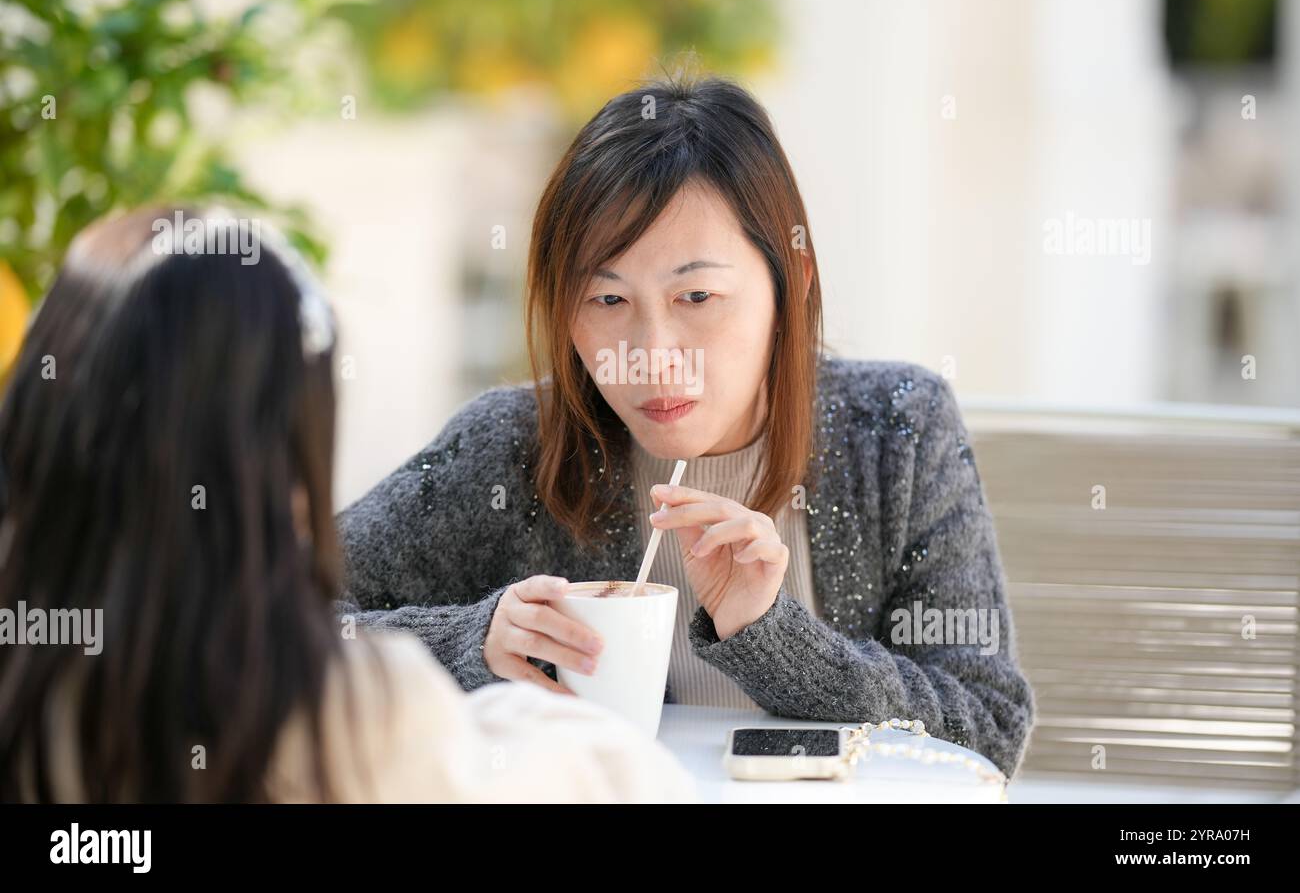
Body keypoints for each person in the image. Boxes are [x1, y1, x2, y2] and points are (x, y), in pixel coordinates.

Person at [338, 74, 1037, 780]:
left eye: (696, 295)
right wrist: (471, 641)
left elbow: (986, 726)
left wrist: (770, 634)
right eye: (606, 298)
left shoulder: (898, 432)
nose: (649, 355)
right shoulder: (513, 445)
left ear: (792, 278)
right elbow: (271, 615)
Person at [0, 207, 695, 803]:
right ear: (286, 468)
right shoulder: (353, 717)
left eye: (694, 295)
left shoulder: (37, 684)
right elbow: (620, 778)